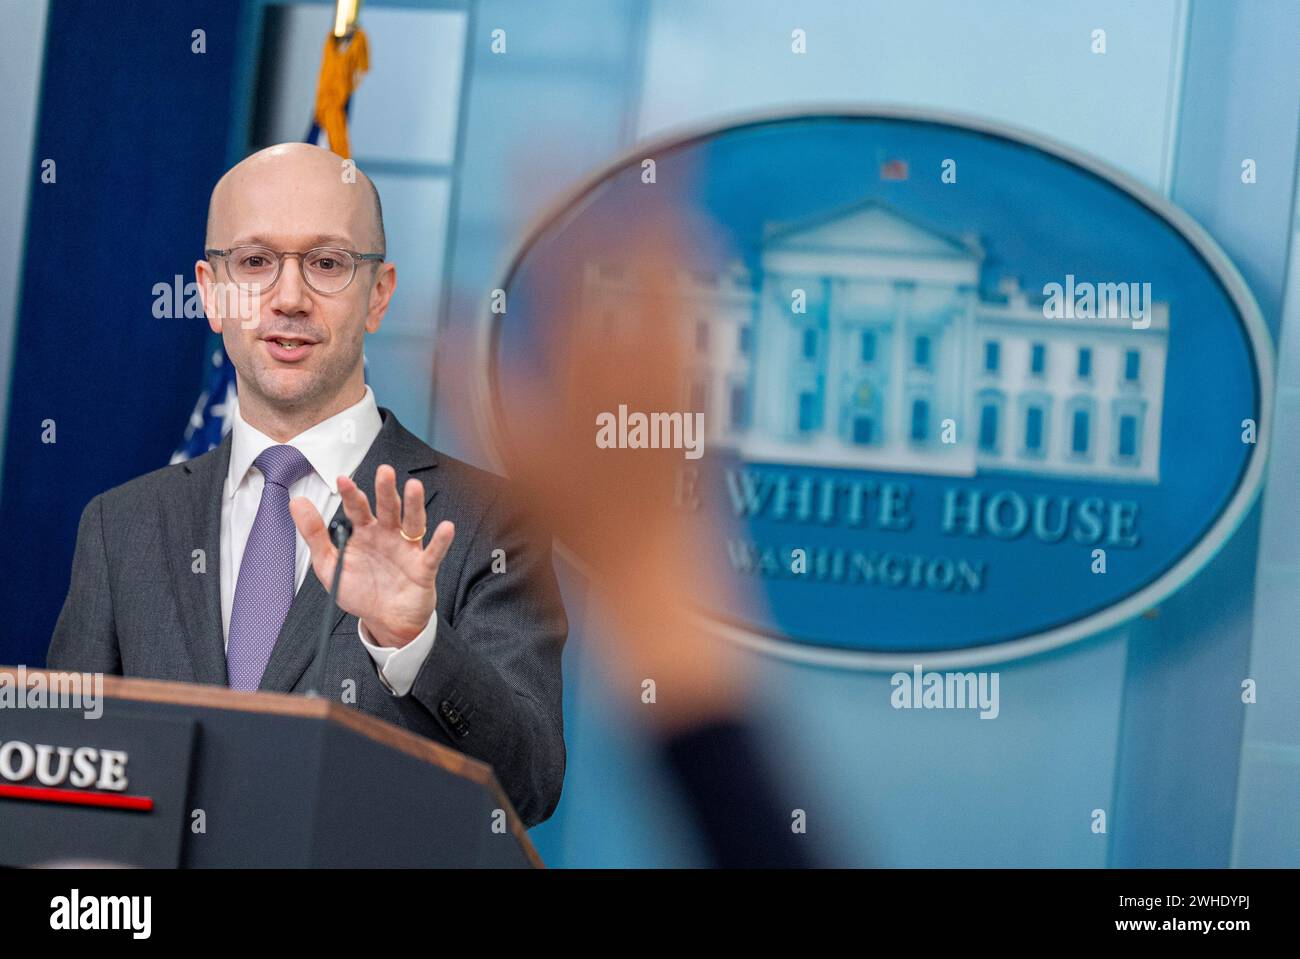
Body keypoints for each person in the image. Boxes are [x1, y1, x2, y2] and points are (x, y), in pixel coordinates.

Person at [46, 143, 567, 828]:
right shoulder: (122, 527)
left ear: (378, 294)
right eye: (256, 262)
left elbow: (527, 785)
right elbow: (59, 785)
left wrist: (414, 641)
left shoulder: (489, 521)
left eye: (327, 263)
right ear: (209, 293)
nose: (289, 298)